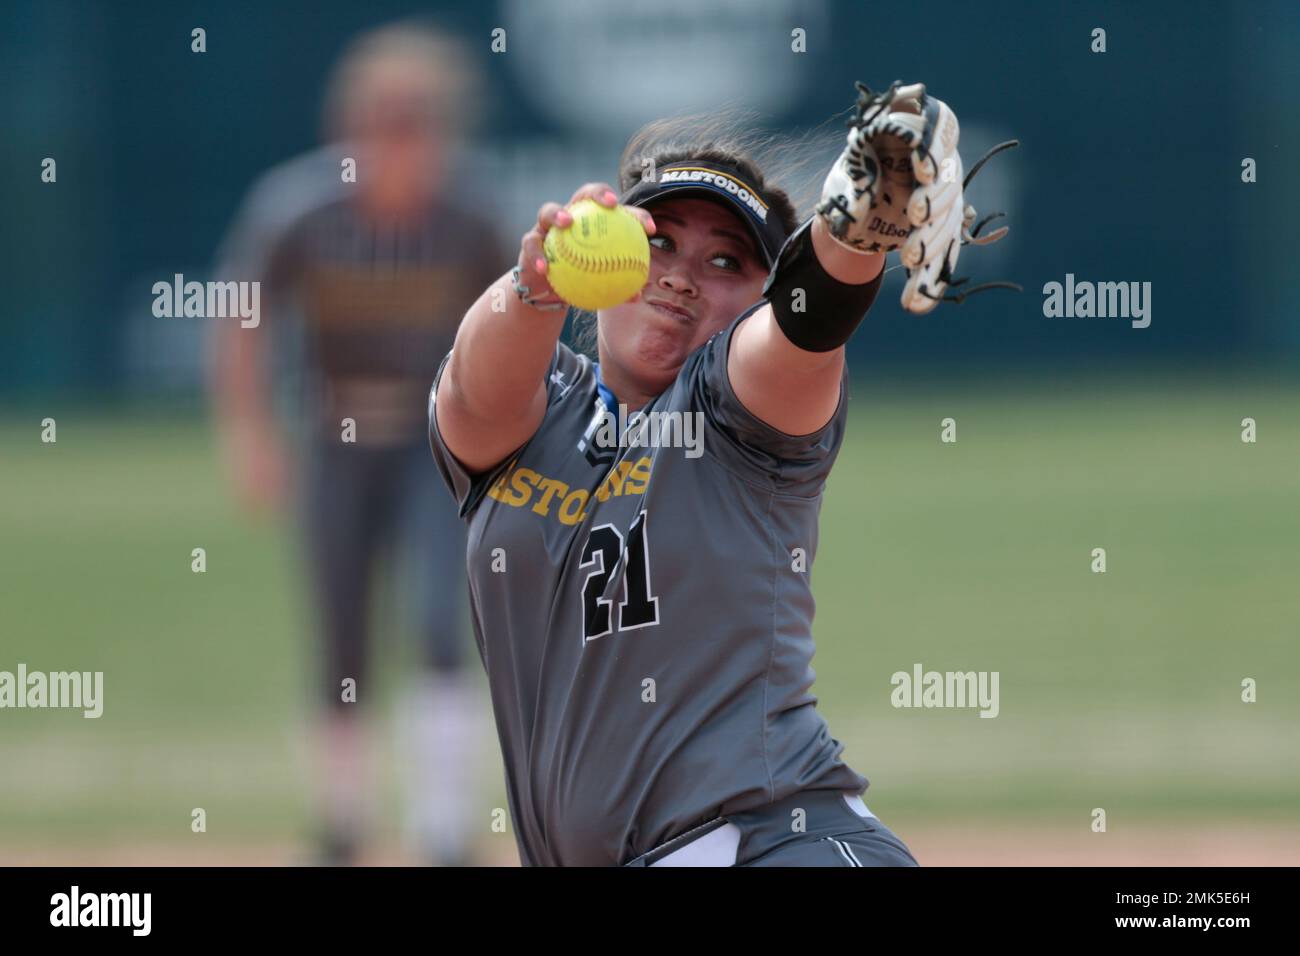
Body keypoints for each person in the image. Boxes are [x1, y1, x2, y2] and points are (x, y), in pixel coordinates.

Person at [428, 81, 1010, 866]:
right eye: (658, 242)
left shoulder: (737, 415)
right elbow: (475, 390)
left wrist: (859, 230)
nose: (680, 274)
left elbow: (805, 327)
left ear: (756, 302)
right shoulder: (533, 419)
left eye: (726, 261)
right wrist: (533, 287)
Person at [211, 22, 501, 865]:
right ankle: (342, 819)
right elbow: (242, 321)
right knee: (340, 633)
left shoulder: (470, 218)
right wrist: (250, 435)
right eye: (379, 122)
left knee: (443, 621)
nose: (396, 142)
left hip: (437, 446)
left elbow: (515, 329)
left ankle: (445, 826)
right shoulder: (298, 209)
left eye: (416, 123)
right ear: (348, 127)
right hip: (334, 439)